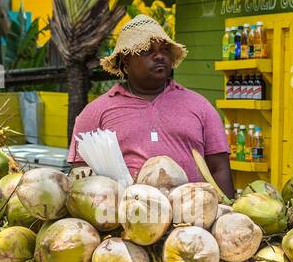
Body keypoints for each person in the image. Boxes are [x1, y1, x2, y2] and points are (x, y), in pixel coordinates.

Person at [68, 16, 234, 196]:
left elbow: (219, 168)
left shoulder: (200, 106)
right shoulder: (95, 112)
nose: (160, 56)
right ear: (125, 61)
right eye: (147, 50)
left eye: (164, 50)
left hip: (192, 216)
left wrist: (227, 214)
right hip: (123, 218)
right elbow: (81, 178)